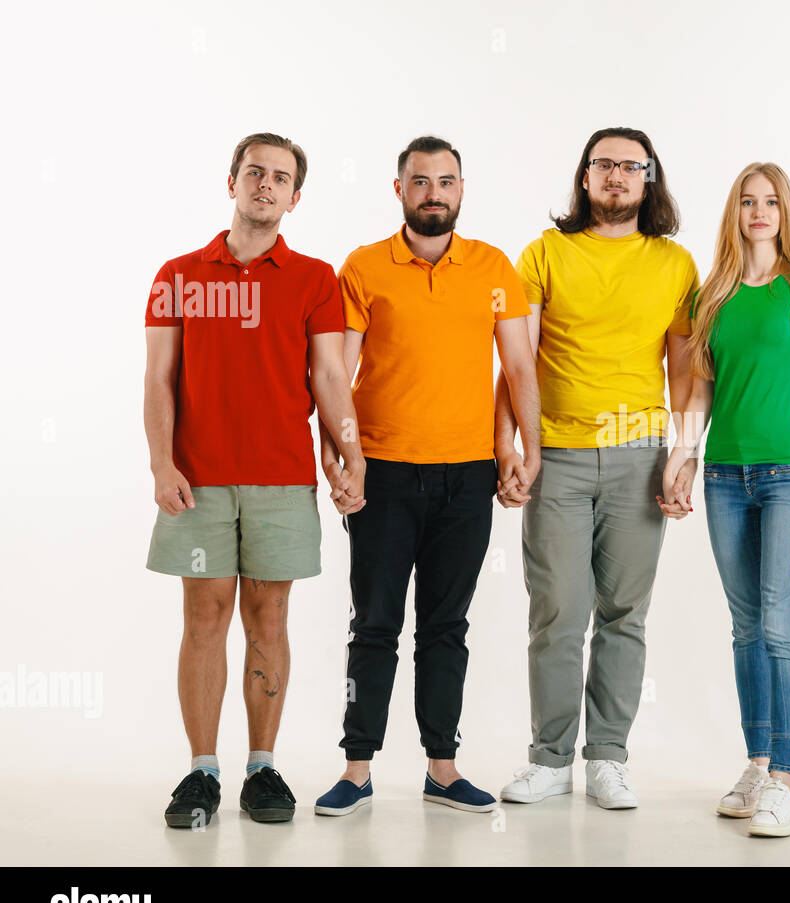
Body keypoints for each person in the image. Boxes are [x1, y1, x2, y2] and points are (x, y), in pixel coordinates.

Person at [311, 136, 541, 817]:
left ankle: (443, 765)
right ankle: (357, 767)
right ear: (399, 189)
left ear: (462, 189)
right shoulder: (363, 267)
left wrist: (526, 452)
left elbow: (520, 368)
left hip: (467, 475)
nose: (433, 191)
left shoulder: (495, 267)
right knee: (374, 622)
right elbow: (337, 376)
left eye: (445, 180)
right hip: (382, 472)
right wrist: (342, 455)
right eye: (420, 180)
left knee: (447, 624)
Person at [145, 132, 364, 827]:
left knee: (269, 618)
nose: (265, 184)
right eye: (254, 172)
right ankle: (202, 771)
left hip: (280, 480)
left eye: (280, 178)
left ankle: (262, 767)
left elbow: (330, 376)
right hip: (198, 481)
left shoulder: (315, 279)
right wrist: (160, 462)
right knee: (203, 619)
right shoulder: (178, 274)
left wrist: (349, 449)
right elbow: (159, 378)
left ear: (295, 197)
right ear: (232, 181)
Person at [495, 127, 699, 809]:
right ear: (584, 178)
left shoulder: (675, 264)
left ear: (649, 179)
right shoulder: (544, 253)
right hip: (555, 456)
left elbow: (686, 370)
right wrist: (511, 448)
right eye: (602, 164)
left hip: (641, 458)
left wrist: (685, 452)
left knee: (624, 613)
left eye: (629, 166)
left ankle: (608, 756)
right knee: (557, 611)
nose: (615, 176)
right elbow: (515, 361)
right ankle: (551, 759)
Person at [660, 162, 790, 838]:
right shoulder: (713, 293)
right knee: (744, 625)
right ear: (734, 212)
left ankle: (787, 779)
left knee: (779, 622)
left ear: (784, 211)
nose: (760, 211)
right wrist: (682, 455)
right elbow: (699, 391)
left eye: (771, 201)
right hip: (724, 479)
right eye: (748, 201)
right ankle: (758, 761)